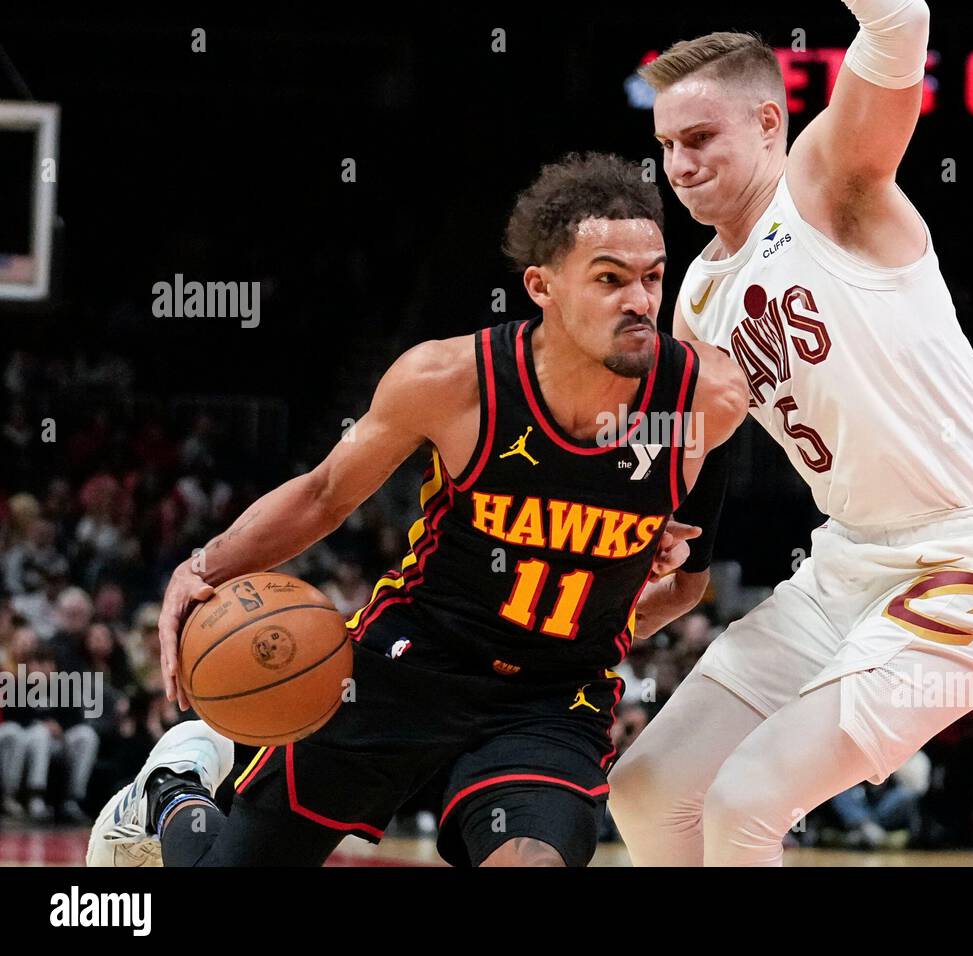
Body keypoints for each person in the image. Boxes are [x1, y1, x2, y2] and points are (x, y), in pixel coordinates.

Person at [86, 151, 747, 868]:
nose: (641, 302)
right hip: (407, 661)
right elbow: (325, 494)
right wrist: (201, 565)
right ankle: (177, 789)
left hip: (549, 699)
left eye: (652, 277)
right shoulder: (450, 381)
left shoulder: (706, 398)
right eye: (610, 279)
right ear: (542, 287)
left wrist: (610, 605)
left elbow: (685, 580)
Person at [608, 0, 973, 866]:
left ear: (771, 122)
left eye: (700, 138)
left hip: (970, 569)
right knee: (648, 788)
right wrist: (667, 555)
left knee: (744, 802)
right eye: (666, 146)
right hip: (845, 569)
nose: (680, 165)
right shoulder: (696, 294)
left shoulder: (823, 183)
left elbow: (900, 24)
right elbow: (694, 448)